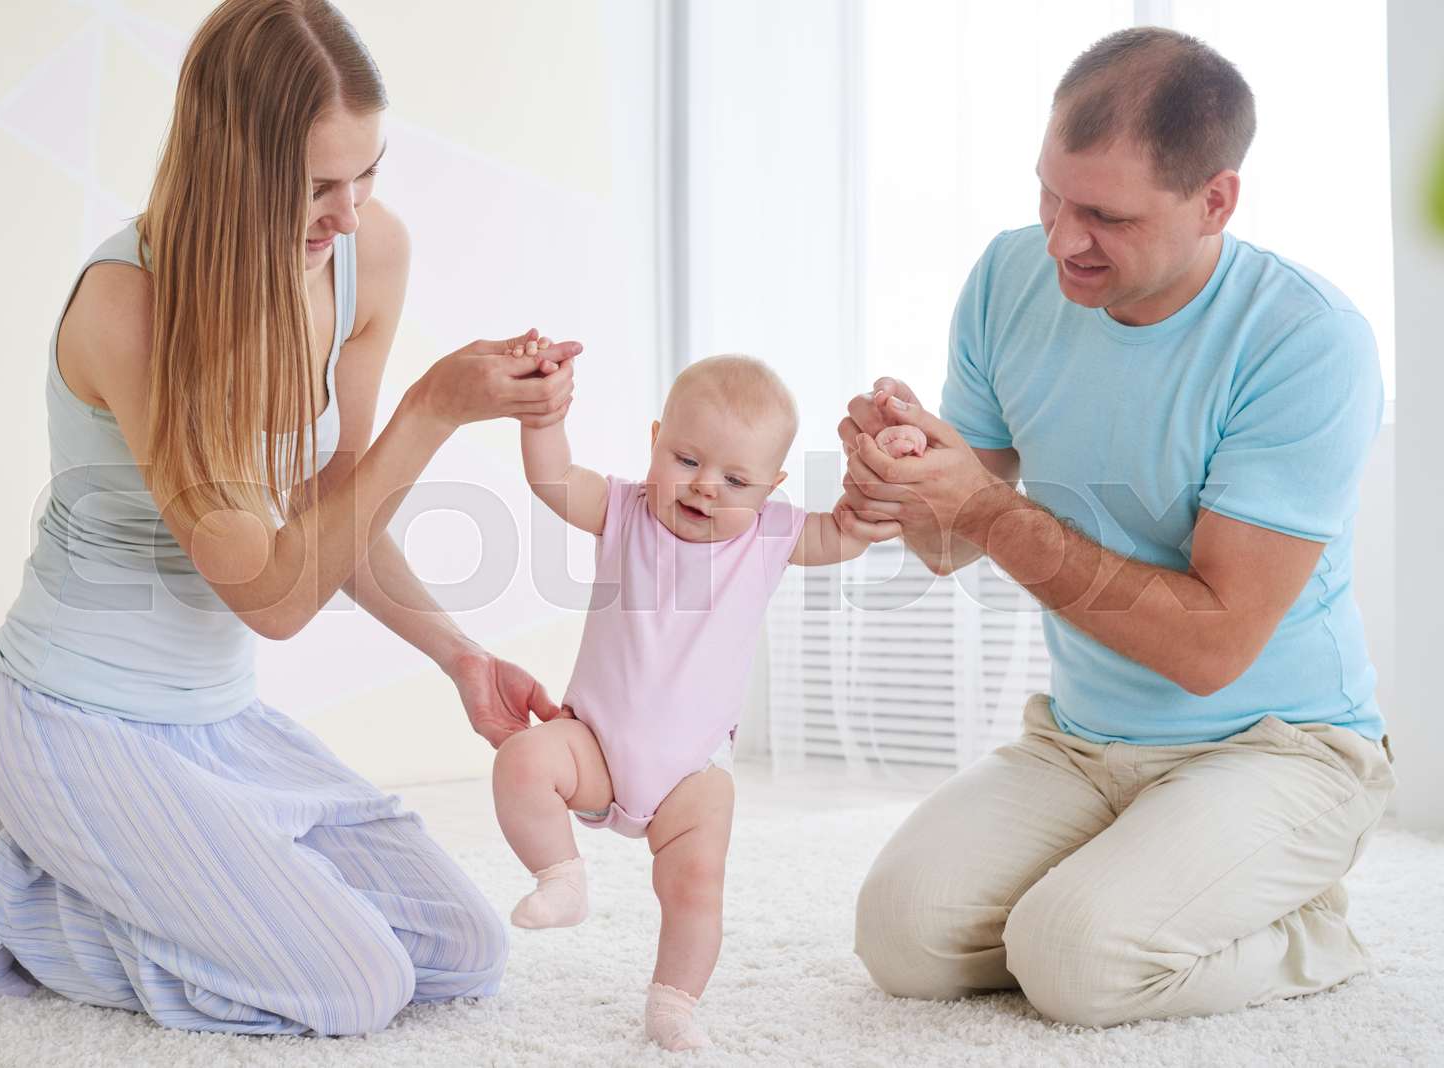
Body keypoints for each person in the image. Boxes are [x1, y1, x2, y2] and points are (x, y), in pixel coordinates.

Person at [0, 0, 580, 1036]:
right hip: (75, 718)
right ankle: (26, 891)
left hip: (216, 719)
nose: (349, 210)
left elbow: (333, 511)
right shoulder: (131, 303)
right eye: (317, 186)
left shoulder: (367, 256)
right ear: (233, 168)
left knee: (462, 951)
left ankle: (115, 869)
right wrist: (432, 413)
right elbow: (274, 598)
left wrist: (458, 656)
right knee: (350, 987)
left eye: (368, 173)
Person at [842, 27, 1395, 1027]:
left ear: (1214, 201)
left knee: (1073, 965)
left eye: (1104, 214)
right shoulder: (1011, 279)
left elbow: (1210, 646)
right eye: (1049, 194)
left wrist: (979, 504)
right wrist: (902, 482)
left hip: (1278, 747)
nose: (1062, 238)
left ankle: (1307, 922)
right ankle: (1146, 881)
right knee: (902, 938)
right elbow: (946, 545)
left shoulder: (1305, 339)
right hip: (1084, 743)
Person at [492, 354, 901, 1050]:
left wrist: (877, 497)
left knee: (696, 886)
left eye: (736, 480)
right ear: (655, 441)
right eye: (686, 459)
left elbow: (844, 533)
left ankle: (673, 1004)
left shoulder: (771, 535)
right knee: (523, 759)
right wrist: (543, 417)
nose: (707, 487)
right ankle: (561, 877)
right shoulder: (623, 508)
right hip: (591, 743)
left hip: (691, 773)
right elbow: (551, 478)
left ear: (771, 489)